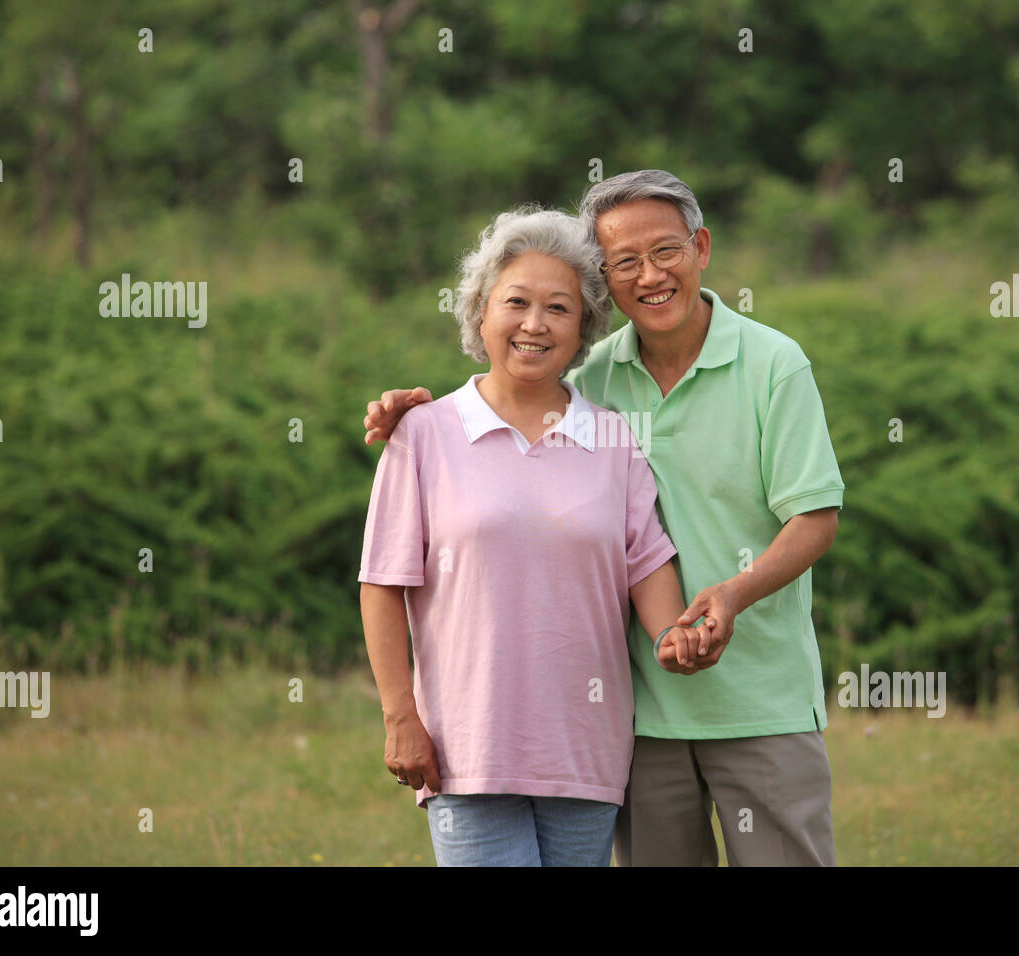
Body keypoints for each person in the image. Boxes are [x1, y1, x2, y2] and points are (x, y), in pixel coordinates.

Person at [365, 171, 845, 866]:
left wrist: (722, 601)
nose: (648, 275)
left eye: (665, 252)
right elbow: (508, 392)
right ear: (607, 284)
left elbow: (811, 519)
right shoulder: (592, 382)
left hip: (754, 703)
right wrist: (410, 414)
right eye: (625, 262)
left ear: (700, 247)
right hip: (639, 722)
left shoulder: (771, 366)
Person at [357, 205, 711, 867]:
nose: (534, 324)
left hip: (586, 751)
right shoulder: (422, 435)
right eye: (516, 302)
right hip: (468, 751)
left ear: (583, 330)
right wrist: (400, 717)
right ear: (481, 312)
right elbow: (382, 584)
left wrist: (674, 637)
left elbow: (645, 564)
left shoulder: (611, 438)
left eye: (559, 308)